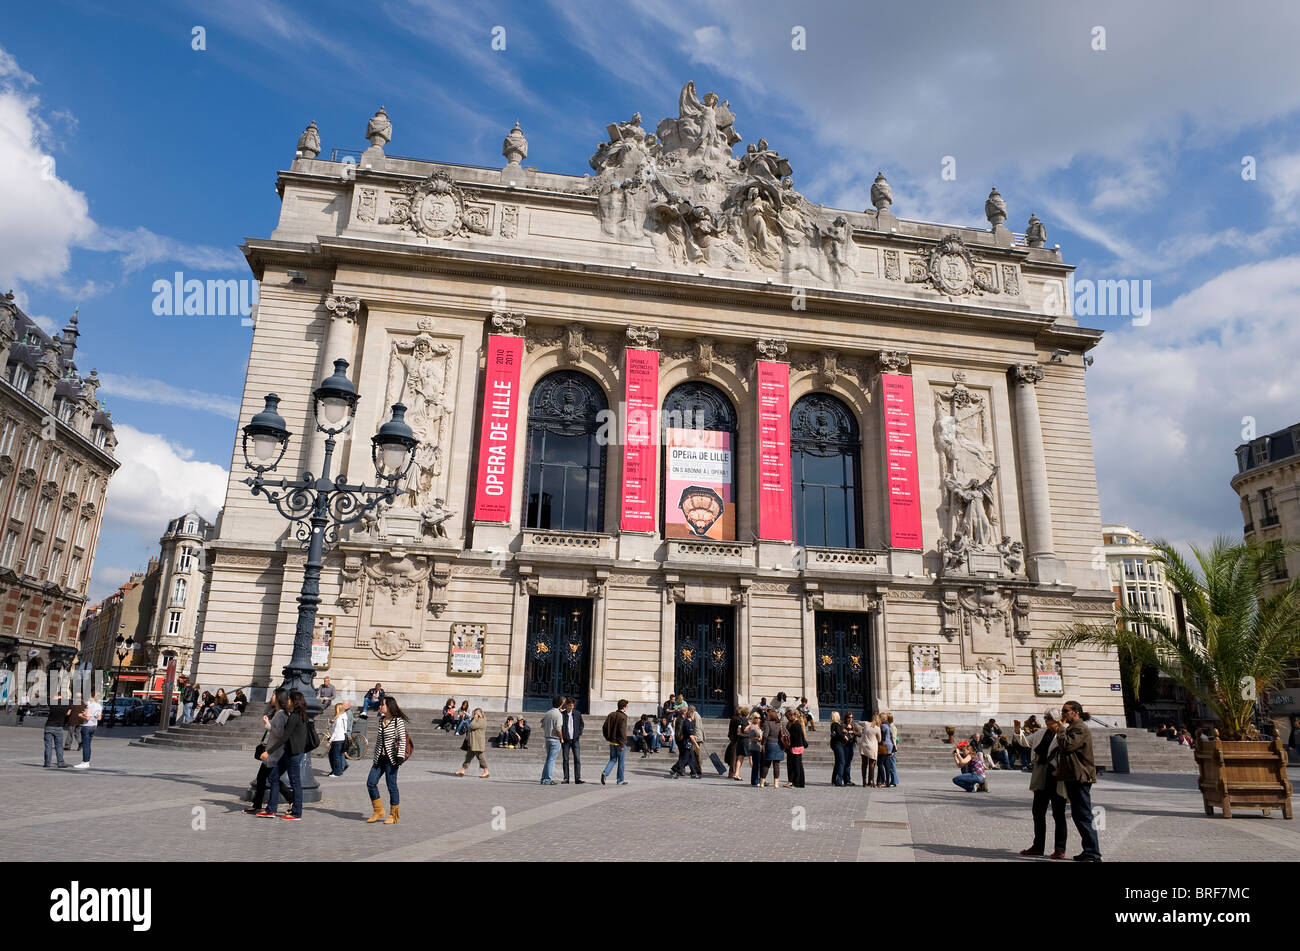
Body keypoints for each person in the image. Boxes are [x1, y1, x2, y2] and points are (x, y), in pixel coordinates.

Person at [1056, 700, 1101, 862]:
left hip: (1080, 777)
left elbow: (1067, 746)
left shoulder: (1080, 728)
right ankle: (1088, 850)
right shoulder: (1074, 728)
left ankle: (1093, 854)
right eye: (1062, 711)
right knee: (1079, 815)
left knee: (1083, 816)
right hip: (1073, 776)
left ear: (1076, 712)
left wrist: (1061, 730)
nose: (1063, 714)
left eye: (1066, 711)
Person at [1021, 708, 1068, 858]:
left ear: (1057, 720)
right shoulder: (1041, 732)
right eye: (1045, 718)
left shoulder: (1065, 732)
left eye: (1049, 718)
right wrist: (1017, 731)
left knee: (1059, 814)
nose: (1046, 721)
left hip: (1057, 776)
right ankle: (1038, 846)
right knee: (1038, 812)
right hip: (1042, 775)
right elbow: (1025, 742)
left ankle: (1060, 849)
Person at [260, 689, 310, 821]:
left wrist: (268, 752)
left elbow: (284, 738)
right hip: (290, 752)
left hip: (293, 754)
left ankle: (296, 812)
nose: (287, 701)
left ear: (294, 702)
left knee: (295, 783)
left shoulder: (294, 717)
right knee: (273, 777)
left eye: (289, 699)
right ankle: (271, 810)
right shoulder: (301, 715)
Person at [365, 694, 410, 824]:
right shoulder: (381, 720)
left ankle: (394, 815)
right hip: (380, 758)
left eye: (382, 704)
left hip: (392, 758)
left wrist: (400, 756)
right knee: (370, 783)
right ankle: (378, 811)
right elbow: (380, 741)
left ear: (389, 706)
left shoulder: (398, 721)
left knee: (391, 786)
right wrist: (375, 756)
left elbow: (402, 739)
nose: (380, 706)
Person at [245, 689, 288, 815]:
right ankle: (257, 804)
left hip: (275, 751)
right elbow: (265, 713)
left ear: (279, 697)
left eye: (274, 694)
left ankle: (262, 805)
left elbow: (280, 733)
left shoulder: (281, 714)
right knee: (265, 777)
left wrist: (267, 724)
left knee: (269, 778)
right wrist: (270, 703)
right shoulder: (276, 711)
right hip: (271, 750)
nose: (272, 696)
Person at [601, 699, 630, 785]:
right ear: (624, 707)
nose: (627, 708)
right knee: (621, 762)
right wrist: (623, 743)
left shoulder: (611, 715)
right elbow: (622, 731)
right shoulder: (623, 717)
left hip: (612, 742)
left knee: (612, 759)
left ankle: (605, 773)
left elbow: (604, 727)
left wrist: (608, 737)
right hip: (619, 743)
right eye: (626, 706)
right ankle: (620, 780)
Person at [455, 708, 490, 778]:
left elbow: (471, 726)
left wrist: (474, 719)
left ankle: (486, 772)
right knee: (468, 757)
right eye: (474, 714)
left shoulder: (482, 720)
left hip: (477, 743)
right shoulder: (477, 720)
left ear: (479, 714)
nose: (474, 715)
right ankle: (462, 770)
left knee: (481, 757)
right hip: (473, 743)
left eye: (475, 714)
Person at [670, 705, 701, 779]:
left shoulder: (686, 722)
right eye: (693, 714)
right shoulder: (687, 723)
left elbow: (691, 735)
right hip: (686, 743)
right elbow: (690, 735)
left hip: (688, 743)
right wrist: (696, 744)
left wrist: (698, 739)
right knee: (684, 759)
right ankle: (676, 771)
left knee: (691, 759)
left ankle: (693, 773)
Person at [540, 697, 564, 785]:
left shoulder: (548, 713)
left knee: (548, 759)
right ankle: (548, 779)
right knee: (551, 760)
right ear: (560, 704)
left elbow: (542, 724)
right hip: (555, 739)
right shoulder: (558, 714)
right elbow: (558, 729)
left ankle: (543, 778)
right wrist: (561, 738)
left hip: (547, 738)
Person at [75, 693, 102, 769]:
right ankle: (87, 761)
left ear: (92, 698)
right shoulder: (99, 706)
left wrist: (81, 715)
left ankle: (85, 762)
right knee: (88, 745)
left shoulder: (89, 706)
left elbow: (87, 718)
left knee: (86, 745)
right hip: (94, 725)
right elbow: (99, 718)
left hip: (87, 726)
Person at [760, 708, 786, 788]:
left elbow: (765, 735)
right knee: (776, 764)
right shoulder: (780, 724)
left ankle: (762, 782)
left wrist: (762, 743)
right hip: (779, 745)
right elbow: (787, 733)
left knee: (767, 764)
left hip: (770, 744)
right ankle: (776, 784)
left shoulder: (768, 723)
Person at [561, 698, 585, 783]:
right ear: (566, 705)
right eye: (570, 705)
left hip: (575, 740)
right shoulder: (562, 714)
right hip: (566, 740)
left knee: (577, 759)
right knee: (566, 759)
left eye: (573, 705)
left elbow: (581, 724)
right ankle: (566, 778)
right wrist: (562, 736)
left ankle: (577, 778)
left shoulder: (577, 714)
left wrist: (579, 733)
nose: (571, 707)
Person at [43, 696, 70, 768]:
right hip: (59, 726)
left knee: (48, 746)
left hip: (49, 725)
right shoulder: (67, 704)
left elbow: (47, 701)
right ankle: (60, 763)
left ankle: (47, 763)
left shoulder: (52, 703)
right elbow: (68, 713)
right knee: (59, 746)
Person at [326, 701, 351, 776]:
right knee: (338, 755)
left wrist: (329, 741)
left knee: (335, 756)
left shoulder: (339, 718)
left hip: (337, 739)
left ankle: (337, 772)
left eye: (335, 709)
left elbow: (336, 732)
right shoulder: (343, 716)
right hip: (341, 738)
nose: (334, 710)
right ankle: (338, 770)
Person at [785, 708, 807, 788]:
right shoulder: (796, 724)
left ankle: (797, 782)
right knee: (797, 765)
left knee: (796, 765)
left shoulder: (796, 725)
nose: (789, 717)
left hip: (795, 747)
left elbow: (796, 737)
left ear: (795, 715)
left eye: (791, 715)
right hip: (797, 746)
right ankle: (798, 782)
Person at [726, 705, 747, 780]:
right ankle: (733, 772)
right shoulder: (738, 719)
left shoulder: (733, 718)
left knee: (733, 756)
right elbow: (738, 730)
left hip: (733, 738)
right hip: (736, 739)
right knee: (734, 756)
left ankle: (732, 772)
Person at [829, 711, 850, 786]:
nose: (840, 716)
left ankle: (834, 779)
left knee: (838, 762)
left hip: (836, 744)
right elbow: (839, 734)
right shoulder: (836, 724)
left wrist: (842, 731)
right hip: (838, 744)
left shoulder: (834, 725)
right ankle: (839, 781)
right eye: (838, 715)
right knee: (842, 762)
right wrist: (845, 736)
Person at [861, 713, 882, 787]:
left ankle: (864, 781)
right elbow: (879, 740)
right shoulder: (877, 728)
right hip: (872, 747)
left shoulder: (866, 724)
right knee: (871, 765)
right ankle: (871, 781)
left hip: (864, 746)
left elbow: (859, 722)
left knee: (864, 764)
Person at [879, 713, 899, 787]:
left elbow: (893, 739)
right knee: (890, 765)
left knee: (891, 765)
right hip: (891, 747)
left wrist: (892, 750)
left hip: (891, 748)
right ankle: (892, 781)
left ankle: (894, 781)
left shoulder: (891, 727)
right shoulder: (890, 726)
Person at [842, 713, 858, 785]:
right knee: (845, 762)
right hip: (845, 745)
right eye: (849, 717)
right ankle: (845, 779)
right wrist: (844, 731)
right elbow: (839, 733)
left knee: (848, 762)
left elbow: (860, 733)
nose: (850, 719)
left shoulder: (854, 725)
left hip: (851, 744)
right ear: (846, 718)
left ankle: (848, 779)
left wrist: (853, 732)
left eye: (852, 717)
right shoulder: (842, 725)